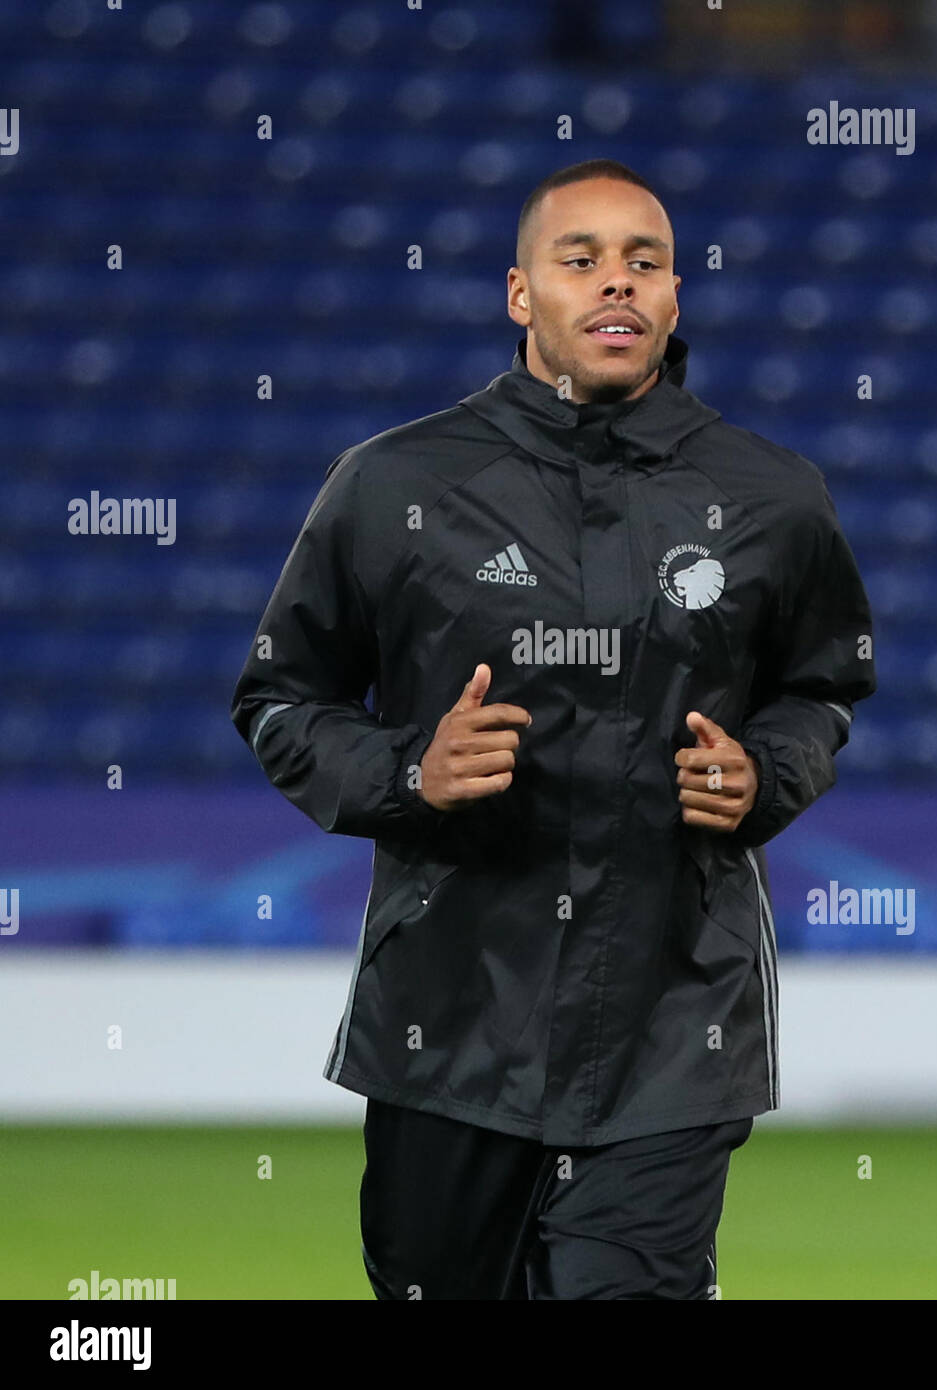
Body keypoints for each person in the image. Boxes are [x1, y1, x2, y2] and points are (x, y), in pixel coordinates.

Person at [230, 157, 876, 1300]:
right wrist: (406, 768)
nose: (614, 284)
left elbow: (822, 689)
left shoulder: (773, 496)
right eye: (579, 260)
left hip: (674, 1020)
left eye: (643, 262)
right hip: (451, 1024)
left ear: (675, 296)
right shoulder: (391, 484)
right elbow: (280, 698)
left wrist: (765, 769)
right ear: (521, 293)